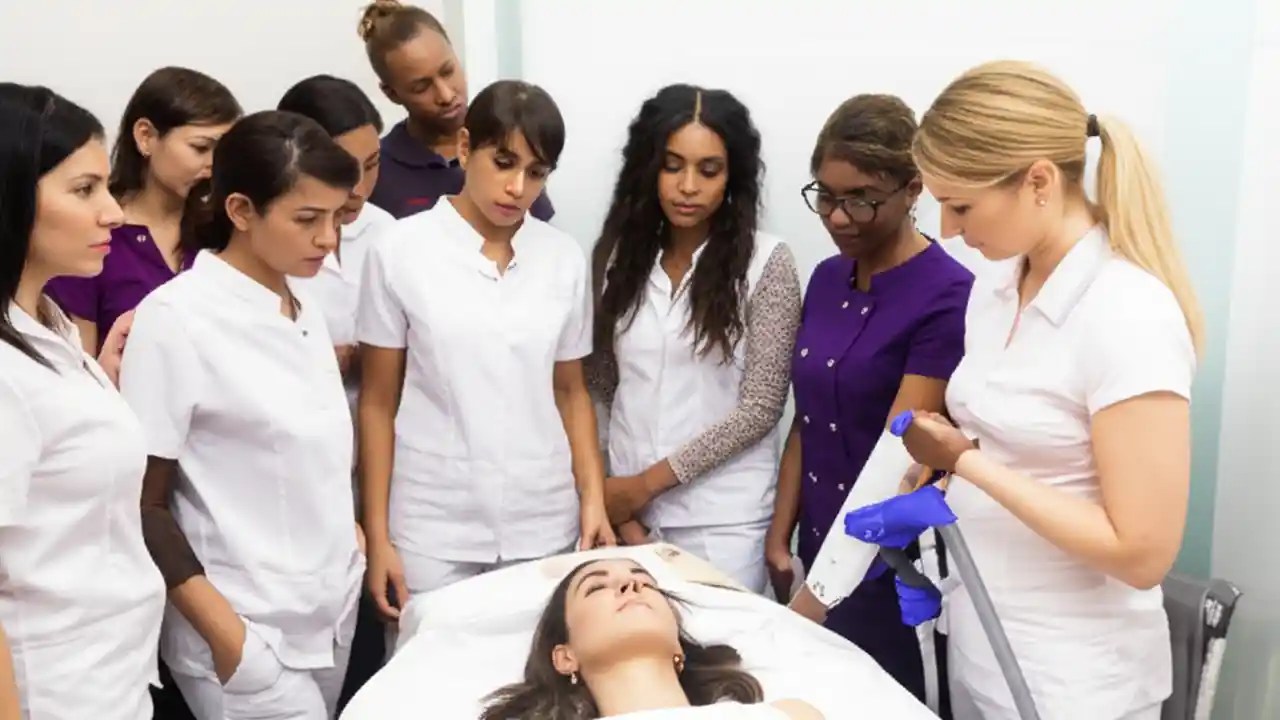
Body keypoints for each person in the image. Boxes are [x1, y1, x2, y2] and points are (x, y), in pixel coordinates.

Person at [899, 60, 1201, 719]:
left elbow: (1142, 551)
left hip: (1077, 683)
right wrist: (946, 476)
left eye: (961, 206)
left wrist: (967, 462)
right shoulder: (995, 289)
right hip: (982, 643)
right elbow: (1027, 446)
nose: (947, 230)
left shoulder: (1128, 314)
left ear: (1039, 181)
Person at [118, 110, 366, 720]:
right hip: (246, 630)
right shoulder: (176, 319)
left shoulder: (302, 299)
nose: (328, 238)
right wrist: (230, 640)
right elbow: (140, 503)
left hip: (328, 612)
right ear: (240, 211)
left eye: (336, 217)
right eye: (308, 219)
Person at [358, 80, 614, 636]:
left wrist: (592, 500)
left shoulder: (562, 258)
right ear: (464, 146)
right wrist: (378, 537)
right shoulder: (400, 250)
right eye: (503, 162)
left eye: (537, 172)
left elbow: (572, 392)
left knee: (538, 685)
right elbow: (377, 403)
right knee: (428, 681)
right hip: (433, 520)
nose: (517, 187)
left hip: (543, 515)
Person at [767, 95, 975, 701]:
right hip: (815, 543)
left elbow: (901, 453)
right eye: (826, 196)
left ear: (913, 189)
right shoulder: (828, 278)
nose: (837, 217)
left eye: (860, 198)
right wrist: (781, 537)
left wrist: (824, 588)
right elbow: (807, 419)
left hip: (892, 562)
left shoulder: (946, 294)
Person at [588, 84, 801, 595]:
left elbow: (760, 408)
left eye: (709, 170)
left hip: (723, 522)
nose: (688, 186)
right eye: (672, 165)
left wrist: (645, 486)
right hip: (626, 517)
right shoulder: (617, 259)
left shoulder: (768, 263)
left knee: (725, 666)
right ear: (648, 167)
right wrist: (615, 498)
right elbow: (601, 384)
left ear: (733, 177)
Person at [0, 83, 166, 719]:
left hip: (108, 676)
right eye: (83, 189)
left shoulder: (50, 324)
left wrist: (96, 390)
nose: (114, 213)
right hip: (52, 691)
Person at [277, 73, 398, 710]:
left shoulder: (391, 236)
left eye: (373, 165)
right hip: (296, 484)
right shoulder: (268, 245)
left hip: (379, 468)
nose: (359, 187)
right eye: (344, 169)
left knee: (372, 658)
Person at [45, 66, 240, 355]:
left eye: (224, 150)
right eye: (200, 148)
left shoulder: (221, 227)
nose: (214, 164)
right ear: (146, 136)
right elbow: (81, 366)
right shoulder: (92, 234)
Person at [480, 559, 824, 719]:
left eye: (647, 582)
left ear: (678, 642)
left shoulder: (790, 715)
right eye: (597, 587)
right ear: (564, 657)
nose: (632, 586)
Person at [356, 0, 554, 221]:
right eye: (422, 87)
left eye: (448, 71)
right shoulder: (378, 171)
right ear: (391, 93)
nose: (446, 95)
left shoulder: (507, 140)